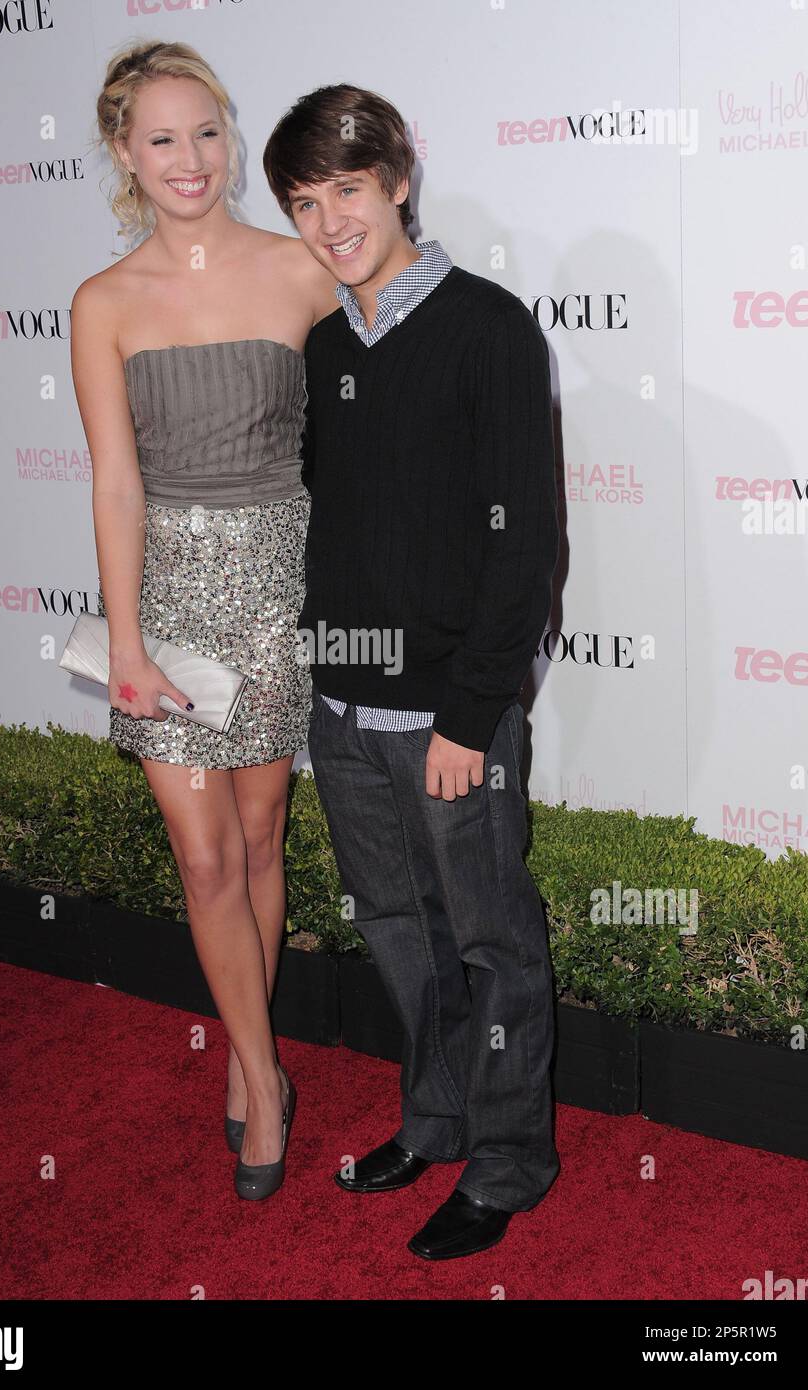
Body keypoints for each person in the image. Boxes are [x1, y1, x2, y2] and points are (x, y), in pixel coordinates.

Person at [263, 84, 561, 1258]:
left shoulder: (487, 326)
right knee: (399, 932)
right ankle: (435, 1121)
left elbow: (524, 546)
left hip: (447, 719)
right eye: (302, 200)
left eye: (346, 187)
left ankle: (506, 1162)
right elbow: (333, 524)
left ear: (396, 178)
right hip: (342, 715)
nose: (329, 218)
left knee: (491, 947)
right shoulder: (325, 342)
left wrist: (469, 715)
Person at [70, 40, 336, 1201]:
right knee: (204, 851)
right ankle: (267, 1077)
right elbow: (116, 484)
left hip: (279, 583)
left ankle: (242, 1056)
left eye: (208, 131)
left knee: (265, 837)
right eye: (162, 138)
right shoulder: (102, 303)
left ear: (232, 138)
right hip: (168, 600)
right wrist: (124, 642)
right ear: (125, 153)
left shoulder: (301, 272)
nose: (190, 159)